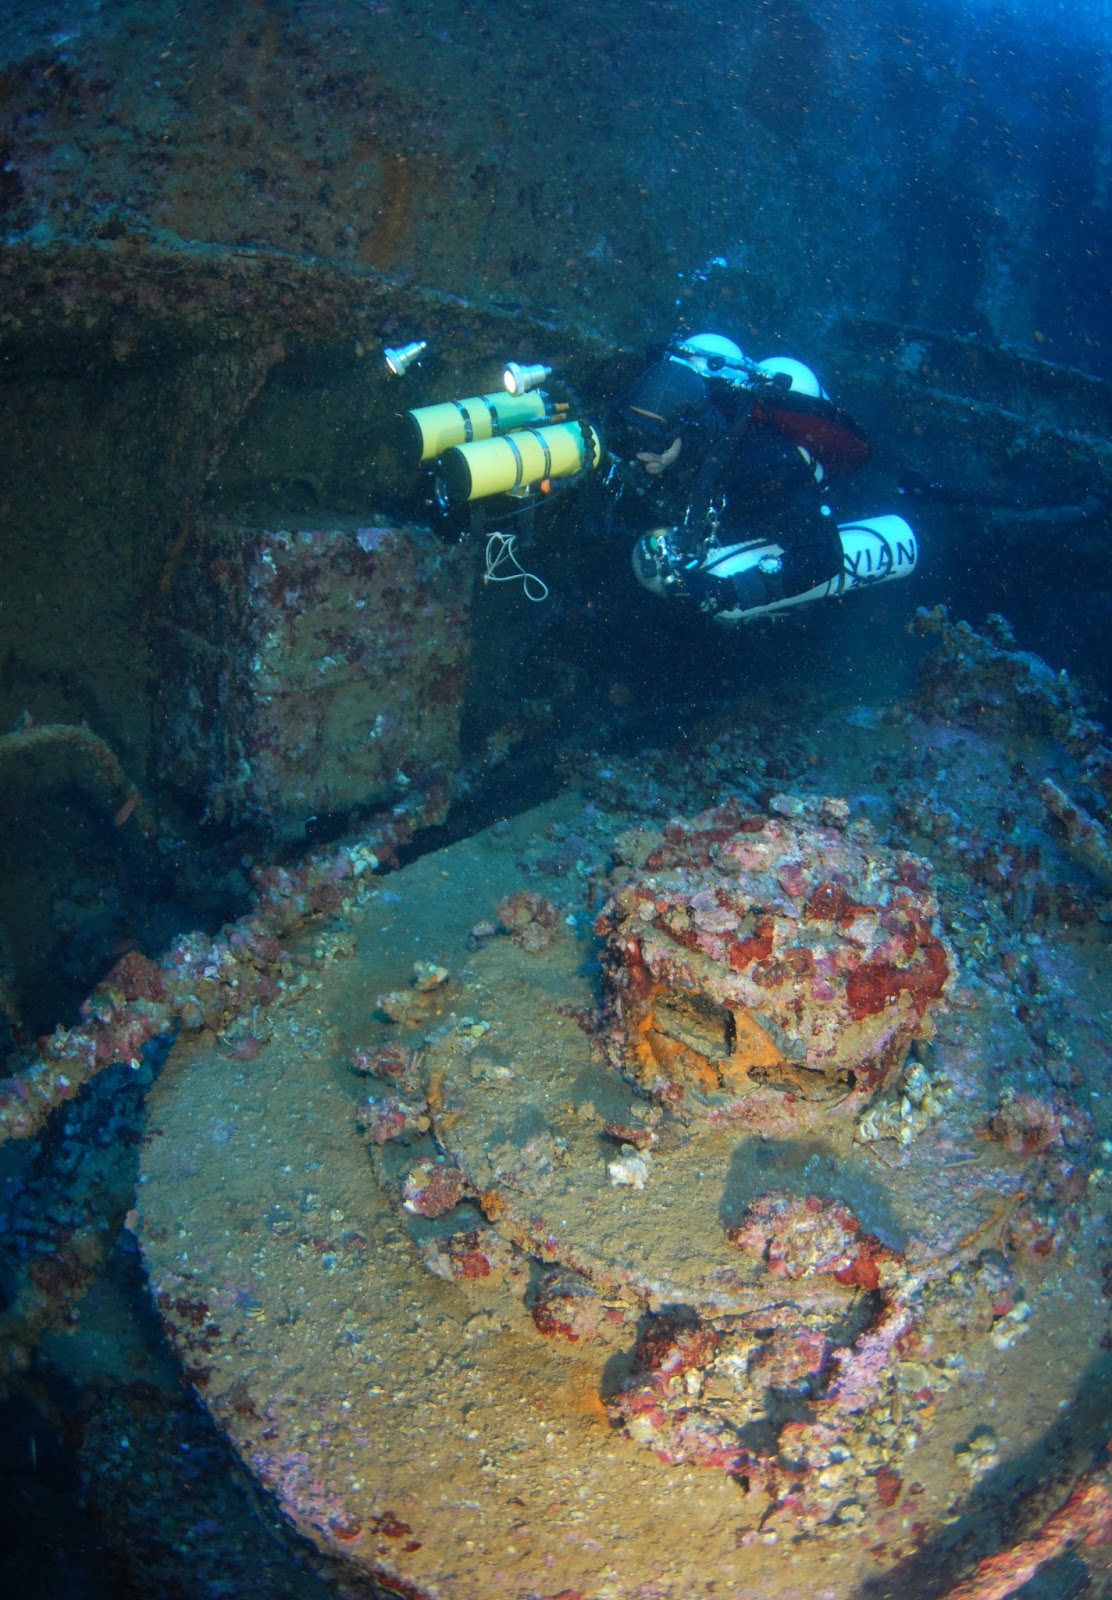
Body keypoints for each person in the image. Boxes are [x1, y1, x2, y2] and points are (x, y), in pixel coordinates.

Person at [603, 332, 889, 624]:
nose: (640, 452)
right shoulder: (673, 438)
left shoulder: (764, 465)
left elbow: (824, 555)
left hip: (774, 535)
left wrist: (726, 591)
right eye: (632, 432)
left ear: (689, 431)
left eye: (655, 438)